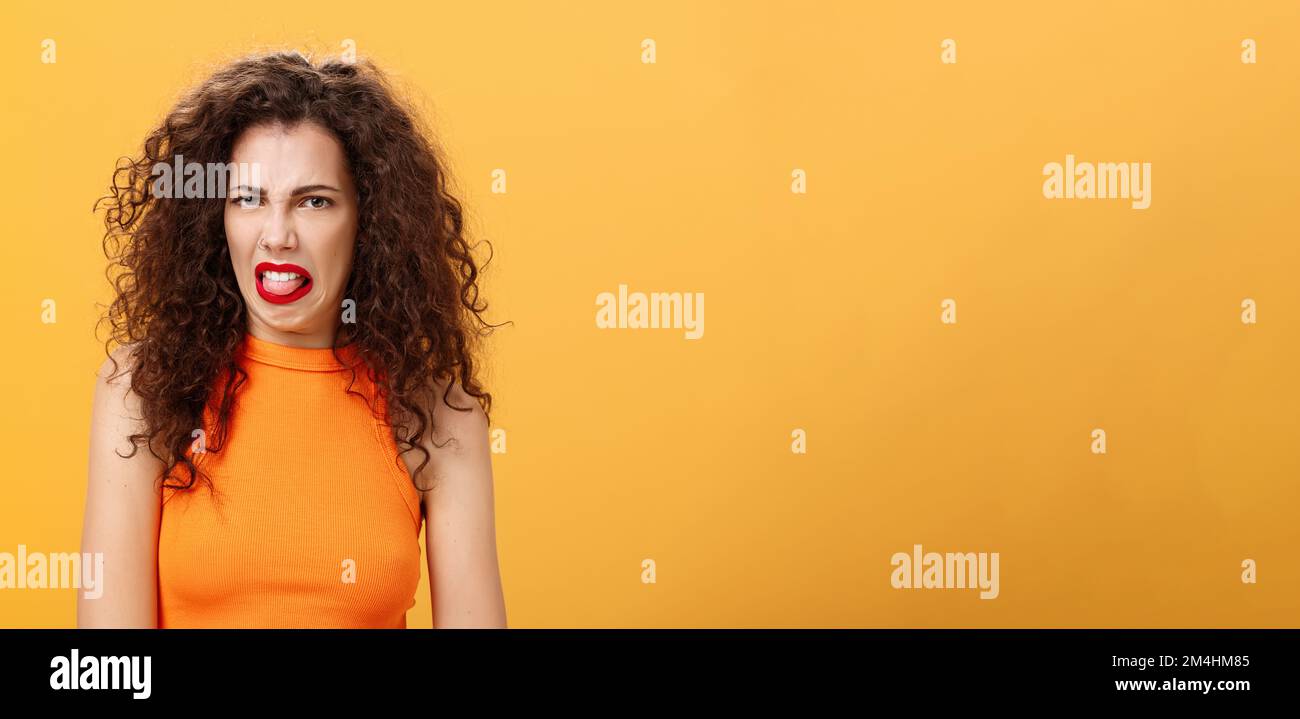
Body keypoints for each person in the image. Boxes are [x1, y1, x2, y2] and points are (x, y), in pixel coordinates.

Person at [80, 51, 507, 628]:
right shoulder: (144, 391)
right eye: (249, 199)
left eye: (315, 201)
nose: (277, 235)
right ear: (217, 219)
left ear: (369, 221)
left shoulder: (439, 418)